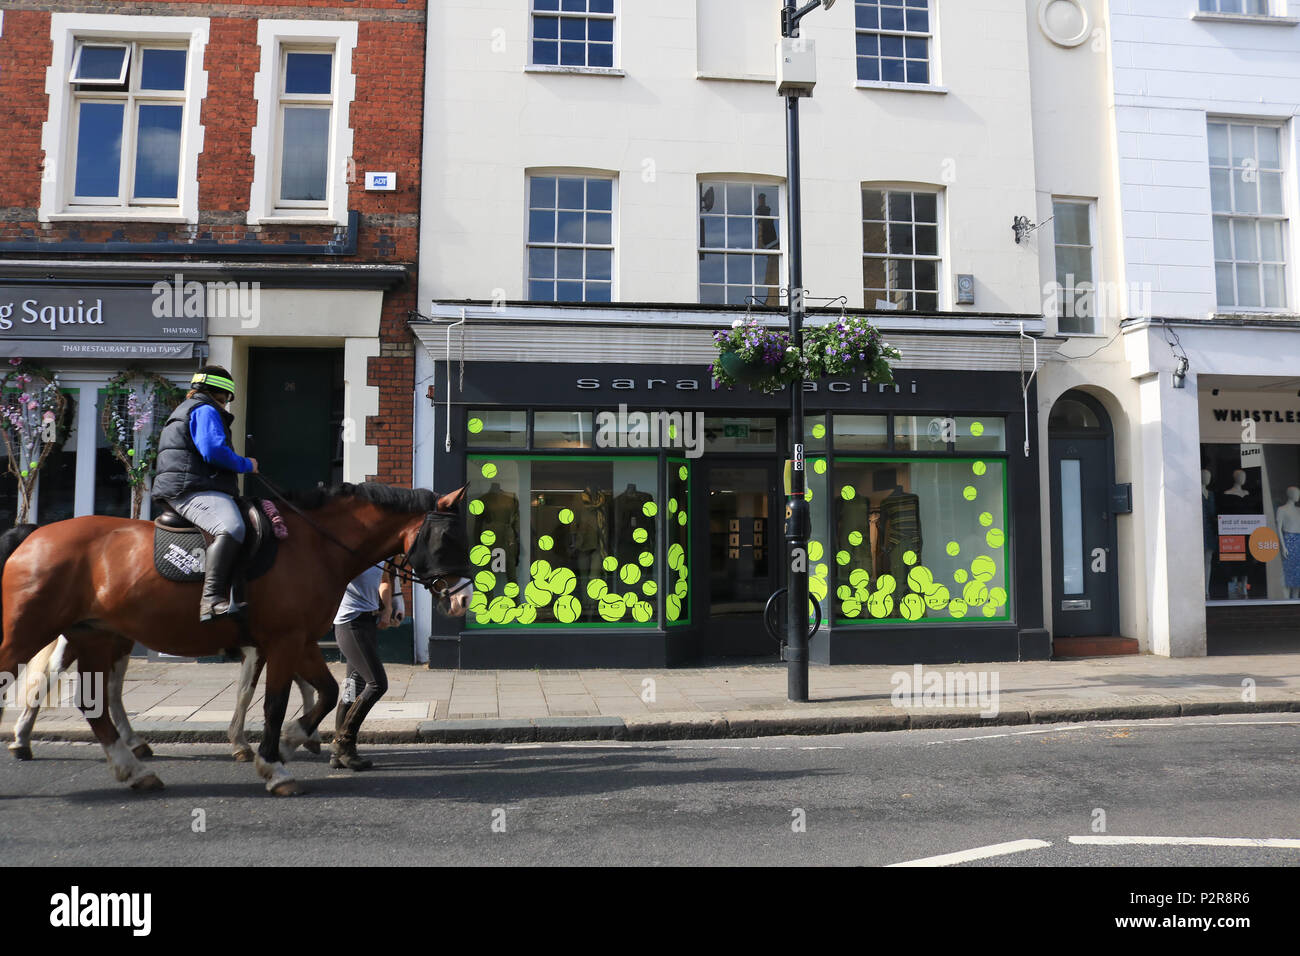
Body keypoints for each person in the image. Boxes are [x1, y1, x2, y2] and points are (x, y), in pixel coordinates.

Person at [152, 366, 258, 622]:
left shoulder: (188, 408)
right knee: (231, 528)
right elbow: (213, 451)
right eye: (227, 399)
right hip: (191, 488)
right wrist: (247, 464)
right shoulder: (206, 410)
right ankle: (211, 600)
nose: (226, 404)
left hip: (187, 485)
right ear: (223, 394)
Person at [331, 563, 395, 771]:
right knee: (377, 684)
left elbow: (385, 581)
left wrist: (387, 609)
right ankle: (344, 742)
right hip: (349, 623)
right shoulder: (355, 547)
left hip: (368, 622)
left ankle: (338, 754)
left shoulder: (382, 553)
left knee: (352, 687)